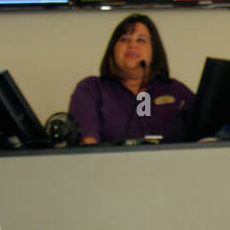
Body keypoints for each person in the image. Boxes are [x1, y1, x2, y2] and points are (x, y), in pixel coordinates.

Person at [68, 14, 194, 144]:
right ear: (112, 49)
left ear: (155, 51)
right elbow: (88, 146)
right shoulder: (92, 89)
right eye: (124, 39)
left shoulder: (176, 90)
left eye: (141, 40)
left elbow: (207, 139)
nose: (132, 45)